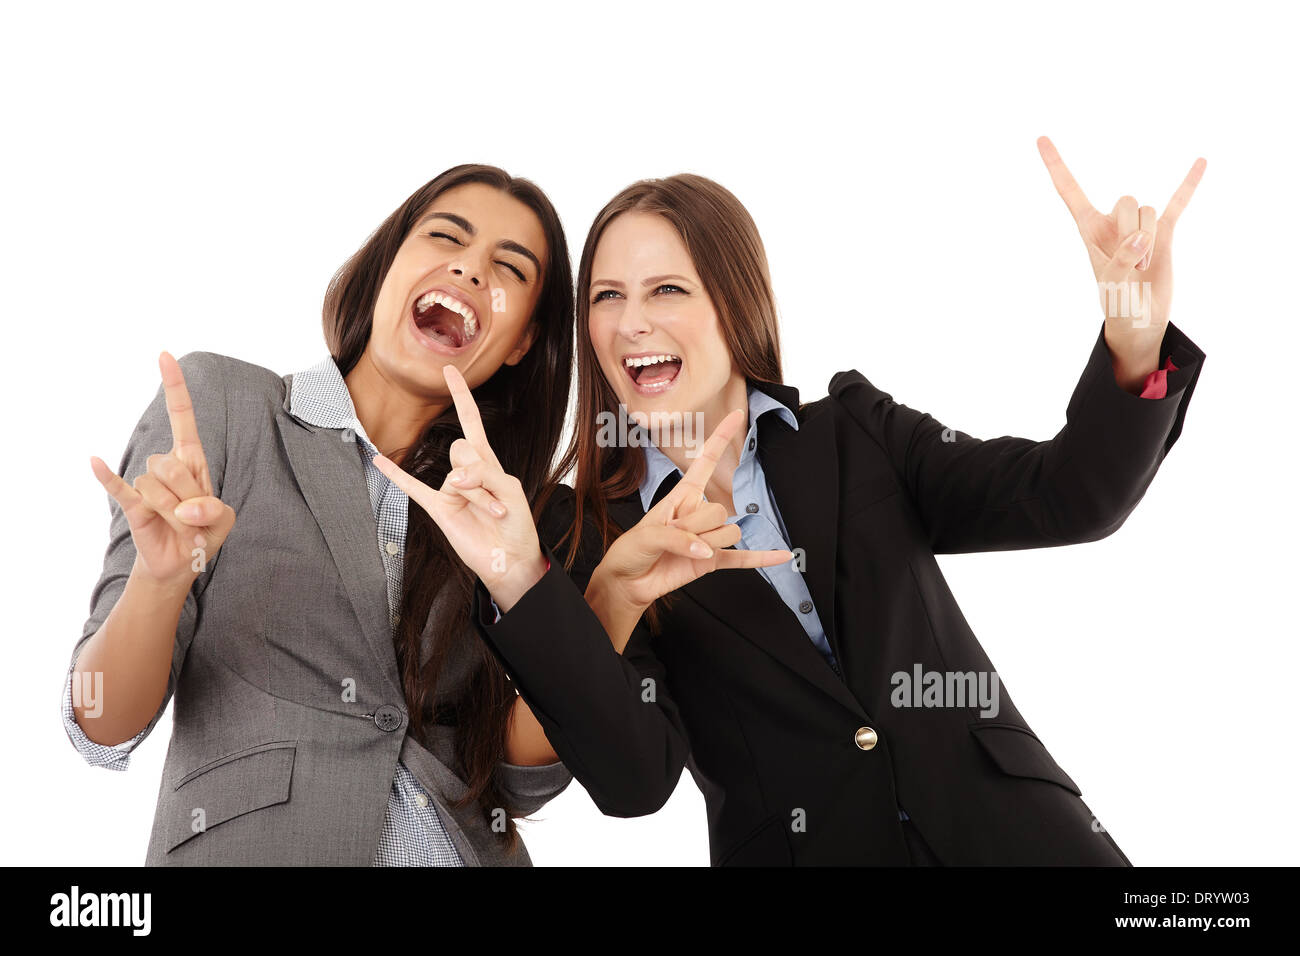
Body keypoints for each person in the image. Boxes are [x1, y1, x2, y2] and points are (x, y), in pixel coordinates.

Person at [382, 138, 1208, 865]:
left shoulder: (854, 430)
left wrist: (1134, 338)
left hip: (1020, 838)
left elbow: (1068, 498)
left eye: (667, 289)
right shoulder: (582, 529)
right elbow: (636, 780)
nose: (631, 323)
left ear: (732, 302)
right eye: (605, 296)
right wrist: (585, 593)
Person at [63, 163, 576, 865]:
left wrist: (584, 602)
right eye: (445, 237)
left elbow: (517, 781)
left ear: (521, 342)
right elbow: (101, 725)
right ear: (387, 263)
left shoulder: (509, 509)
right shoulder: (226, 407)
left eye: (508, 269)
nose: (469, 268)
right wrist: (160, 580)